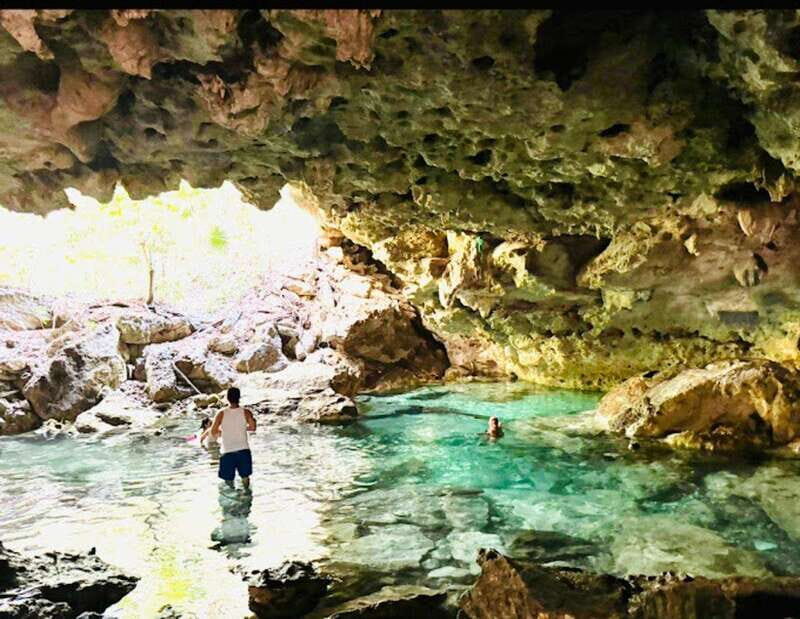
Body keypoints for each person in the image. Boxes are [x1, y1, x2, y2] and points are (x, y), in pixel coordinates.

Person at [210, 387, 256, 491]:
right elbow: (253, 427)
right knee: (245, 477)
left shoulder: (221, 413)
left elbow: (213, 432)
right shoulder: (246, 412)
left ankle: (232, 500)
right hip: (243, 450)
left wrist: (224, 432)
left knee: (228, 481)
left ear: (227, 398)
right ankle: (246, 494)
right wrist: (243, 427)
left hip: (227, 451)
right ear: (239, 397)